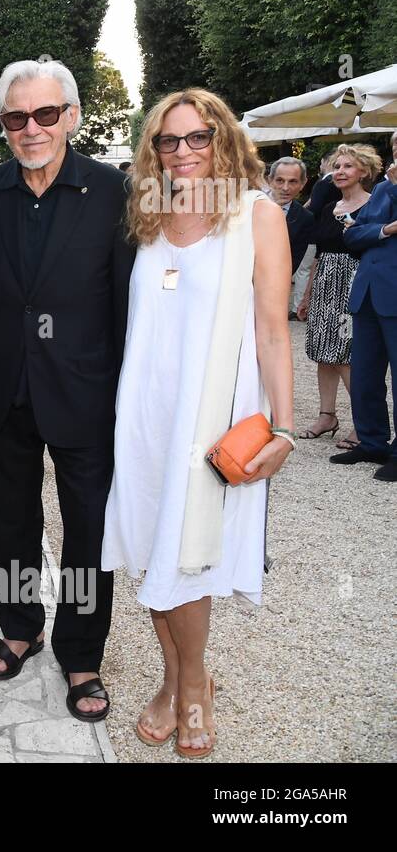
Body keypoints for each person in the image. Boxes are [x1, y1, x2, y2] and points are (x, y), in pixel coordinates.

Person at [103, 88, 295, 758]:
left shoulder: (257, 216)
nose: (182, 152)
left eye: (198, 137)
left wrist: (286, 428)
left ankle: (187, 690)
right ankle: (181, 679)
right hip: (146, 418)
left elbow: (274, 333)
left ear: (225, 141)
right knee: (153, 551)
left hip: (213, 420)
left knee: (189, 559)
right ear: (153, 149)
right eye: (168, 140)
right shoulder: (149, 214)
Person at [0, 58, 133, 722]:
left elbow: (125, 300)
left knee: (85, 530)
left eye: (45, 114)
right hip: (1, 388)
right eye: (16, 117)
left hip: (83, 393)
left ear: (72, 117)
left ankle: (82, 651)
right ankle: (21, 624)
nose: (31, 128)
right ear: (5, 125)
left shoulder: (112, 190)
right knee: (10, 521)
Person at [297, 144, 381, 448]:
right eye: (337, 166)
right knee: (323, 351)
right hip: (325, 282)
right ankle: (327, 416)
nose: (340, 172)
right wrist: (307, 295)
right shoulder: (327, 207)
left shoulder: (374, 205)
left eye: (347, 166)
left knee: (347, 354)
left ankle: (364, 424)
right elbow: (320, 254)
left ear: (364, 172)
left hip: (355, 282)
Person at [337, 173, 397, 480]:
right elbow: (352, 237)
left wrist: (372, 232)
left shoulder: (391, 189)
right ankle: (372, 442)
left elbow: (362, 233)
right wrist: (386, 229)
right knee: (364, 375)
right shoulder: (383, 188)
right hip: (368, 293)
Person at [267, 156, 314, 278]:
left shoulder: (305, 218)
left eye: (293, 181)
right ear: (270, 180)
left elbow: (292, 263)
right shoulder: (249, 206)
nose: (285, 188)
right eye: (280, 180)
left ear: (302, 184)